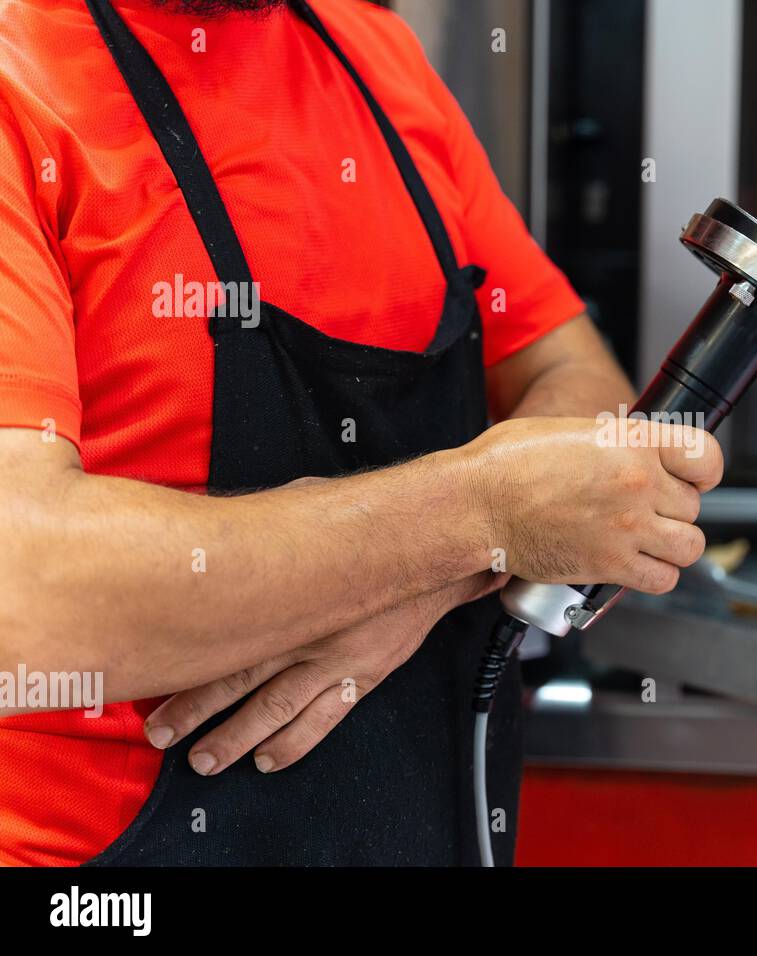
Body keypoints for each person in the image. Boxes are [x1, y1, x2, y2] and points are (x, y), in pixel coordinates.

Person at [0, 0, 720, 865]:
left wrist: (414, 582)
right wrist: (470, 515)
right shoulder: (21, 81)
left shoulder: (372, 55)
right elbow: (23, 597)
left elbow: (569, 374)